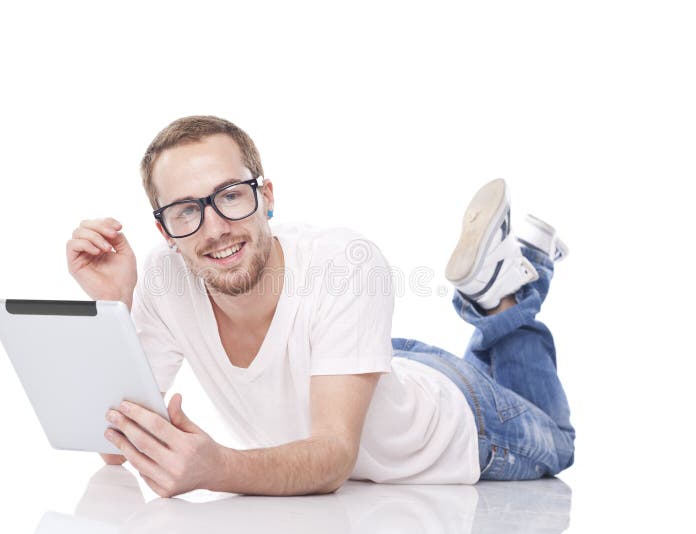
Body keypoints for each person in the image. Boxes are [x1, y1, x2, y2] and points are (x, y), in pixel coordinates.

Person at [65, 115, 575, 498]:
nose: (215, 227)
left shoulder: (345, 262)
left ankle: (506, 292)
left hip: (460, 420)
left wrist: (217, 467)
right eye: (186, 211)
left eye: (230, 196)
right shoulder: (162, 277)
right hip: (371, 366)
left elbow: (333, 457)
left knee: (559, 442)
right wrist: (116, 303)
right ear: (164, 231)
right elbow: (112, 448)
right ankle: (498, 285)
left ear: (266, 196)